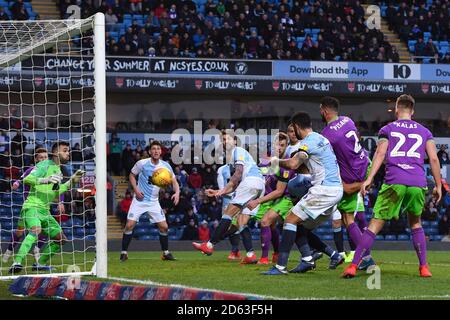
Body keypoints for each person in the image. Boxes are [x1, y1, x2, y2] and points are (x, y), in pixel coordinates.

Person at [343, 94, 442, 278]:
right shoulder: (425, 131)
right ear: (412, 111)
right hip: (416, 182)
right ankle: (423, 268)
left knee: (374, 225)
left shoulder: (387, 128)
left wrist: (369, 178)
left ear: (397, 109)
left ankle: (353, 266)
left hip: (394, 180)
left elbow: (380, 154)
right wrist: (438, 185)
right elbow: (434, 158)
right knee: (415, 223)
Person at [262, 111, 343, 275]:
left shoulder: (307, 142)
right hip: (335, 190)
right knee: (298, 226)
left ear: (298, 127)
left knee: (290, 219)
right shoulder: (321, 138)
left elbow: (293, 164)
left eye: (293, 129)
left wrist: (275, 161)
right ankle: (309, 260)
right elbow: (307, 166)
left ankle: (280, 267)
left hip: (324, 189)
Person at [9, 142, 85, 274]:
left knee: (61, 239)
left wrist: (71, 181)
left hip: (45, 210)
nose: (68, 153)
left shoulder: (58, 170)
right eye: (65, 150)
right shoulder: (44, 165)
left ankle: (39, 264)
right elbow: (28, 179)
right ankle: (17, 262)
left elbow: (56, 193)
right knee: (36, 229)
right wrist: (46, 180)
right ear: (56, 153)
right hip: (32, 206)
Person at [192, 130, 265, 264]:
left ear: (235, 141)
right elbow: (235, 184)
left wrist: (223, 190)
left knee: (228, 214)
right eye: (223, 140)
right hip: (258, 185)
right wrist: (219, 192)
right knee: (241, 222)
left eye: (228, 139)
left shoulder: (239, 151)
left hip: (251, 182)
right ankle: (250, 254)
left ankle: (209, 245)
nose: (225, 142)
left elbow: (238, 173)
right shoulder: (232, 157)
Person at [319, 96, 374, 269]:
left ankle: (366, 258)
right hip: (365, 163)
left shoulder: (326, 135)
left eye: (321, 110)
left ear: (325, 111)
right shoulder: (347, 120)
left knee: (348, 218)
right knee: (354, 217)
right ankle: (362, 254)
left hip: (353, 176)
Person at [120, 140, 180, 262]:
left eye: (158, 148)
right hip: (139, 200)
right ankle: (124, 252)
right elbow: (131, 175)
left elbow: (174, 182)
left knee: (164, 227)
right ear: (149, 152)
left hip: (153, 202)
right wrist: (136, 189)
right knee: (129, 225)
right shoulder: (142, 163)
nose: (156, 151)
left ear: (161, 151)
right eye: (153, 149)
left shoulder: (165, 166)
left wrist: (177, 192)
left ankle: (166, 253)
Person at [2, 148, 63, 264]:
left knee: (44, 230)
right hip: (29, 207)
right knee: (20, 232)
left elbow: (58, 189)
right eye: (41, 157)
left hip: (43, 207)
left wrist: (60, 202)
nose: (43, 159)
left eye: (45, 157)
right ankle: (9, 251)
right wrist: (16, 183)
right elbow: (23, 178)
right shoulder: (32, 169)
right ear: (36, 159)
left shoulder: (52, 170)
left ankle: (37, 250)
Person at [246, 132, 296, 265]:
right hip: (268, 198)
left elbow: (279, 191)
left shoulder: (286, 165)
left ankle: (264, 258)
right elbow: (264, 179)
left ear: (286, 147)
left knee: (265, 222)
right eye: (277, 144)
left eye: (282, 145)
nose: (279, 148)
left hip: (284, 198)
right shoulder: (266, 162)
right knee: (270, 225)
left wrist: (257, 201)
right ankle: (277, 253)